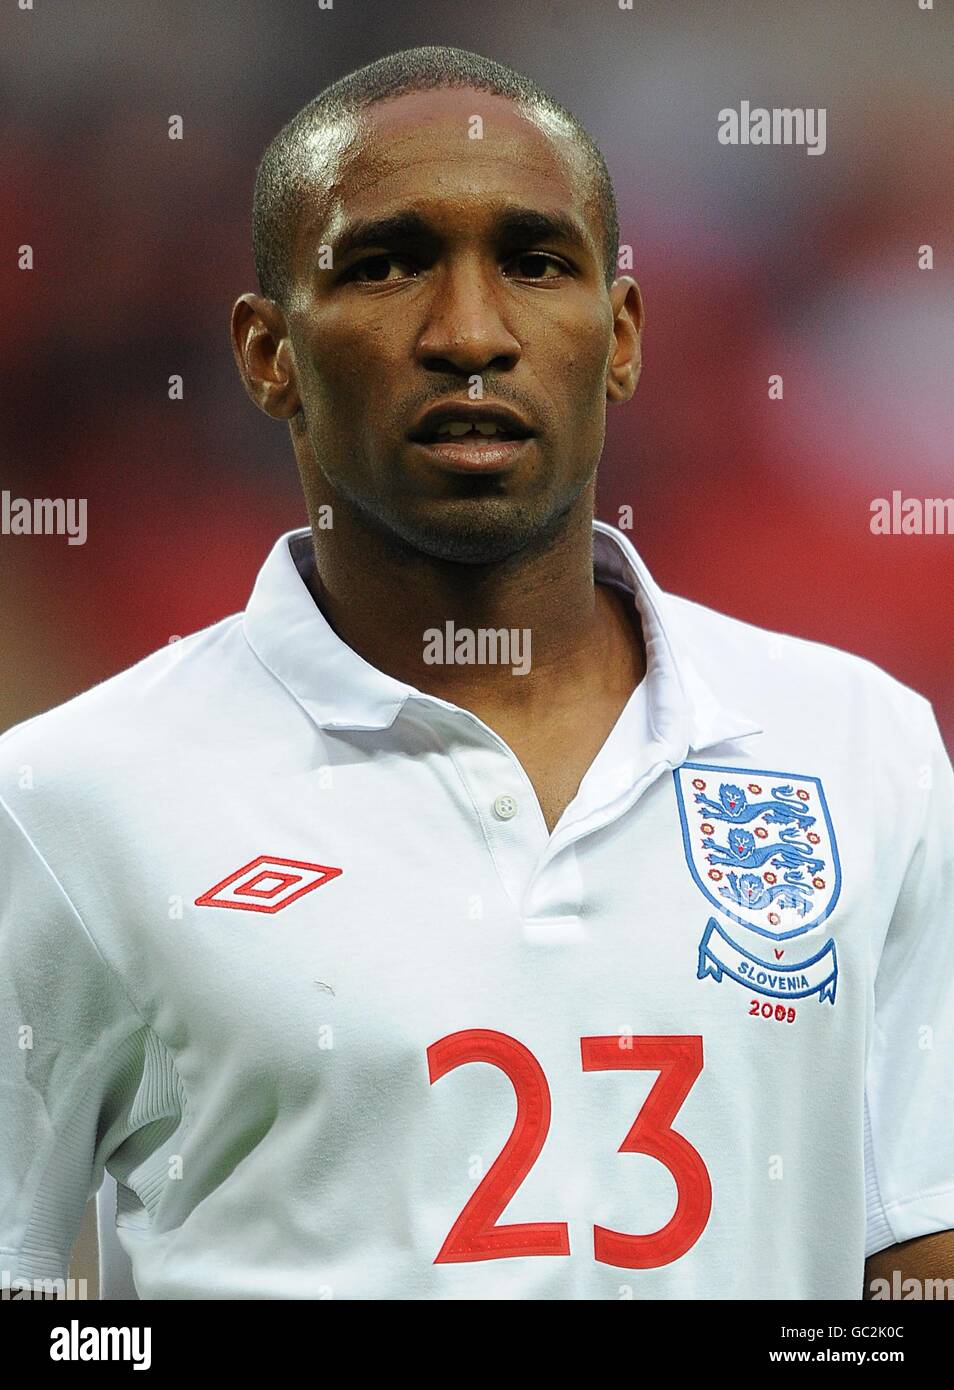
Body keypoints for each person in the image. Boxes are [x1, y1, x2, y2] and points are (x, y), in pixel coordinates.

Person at [2, 46, 952, 1301]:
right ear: (266, 352)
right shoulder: (70, 800)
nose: (468, 334)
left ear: (619, 338)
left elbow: (916, 1262)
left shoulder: (857, 745)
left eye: (536, 262)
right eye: (386, 263)